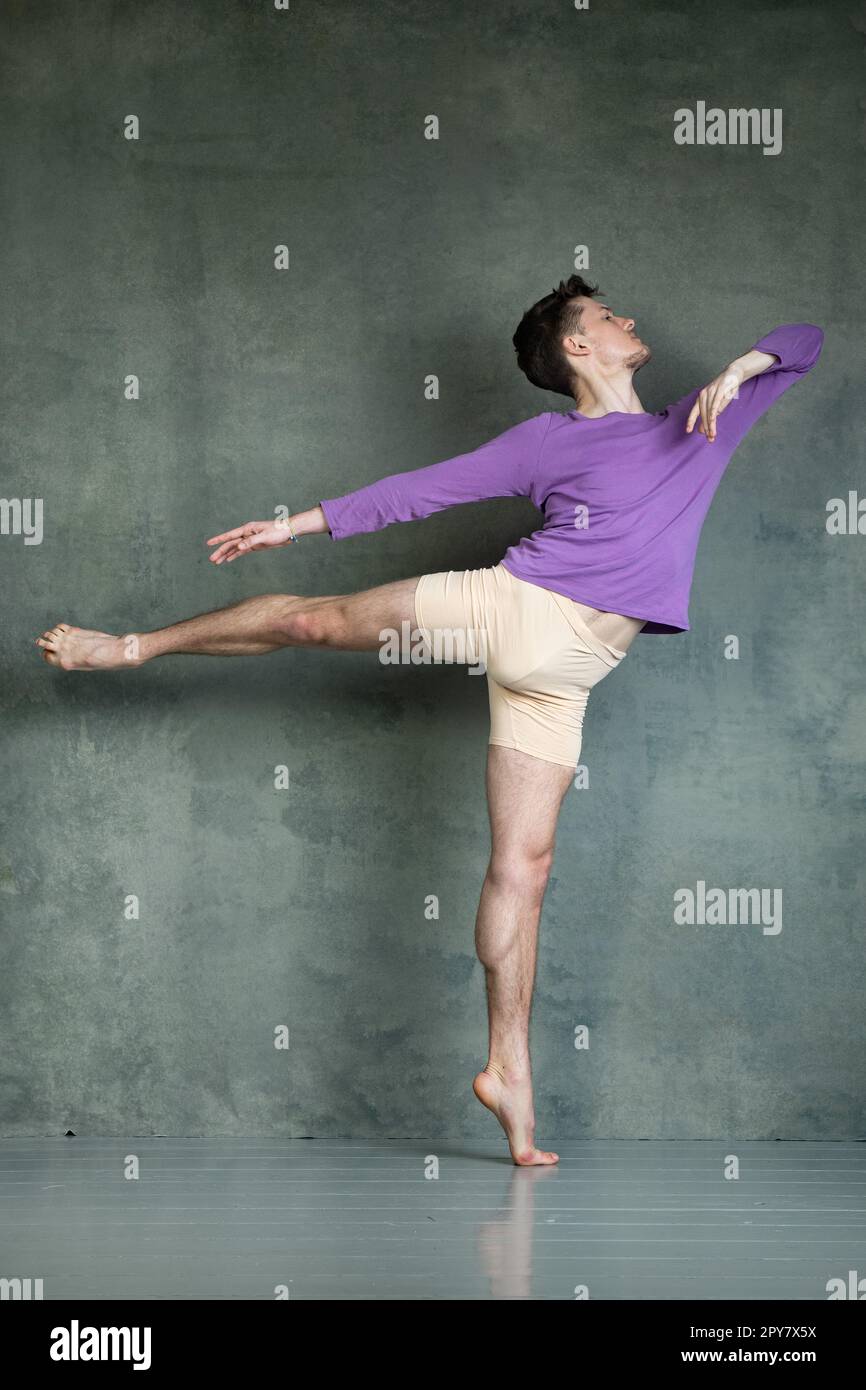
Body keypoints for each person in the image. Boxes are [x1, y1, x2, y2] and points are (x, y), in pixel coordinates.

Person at [35, 276, 824, 1165]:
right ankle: (130, 648)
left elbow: (806, 338)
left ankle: (508, 1072)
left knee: (525, 868)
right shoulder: (548, 440)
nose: (630, 320)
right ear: (577, 346)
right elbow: (426, 489)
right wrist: (292, 524)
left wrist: (744, 366)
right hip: (518, 607)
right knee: (314, 621)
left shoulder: (698, 423)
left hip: (573, 673)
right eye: (609, 316)